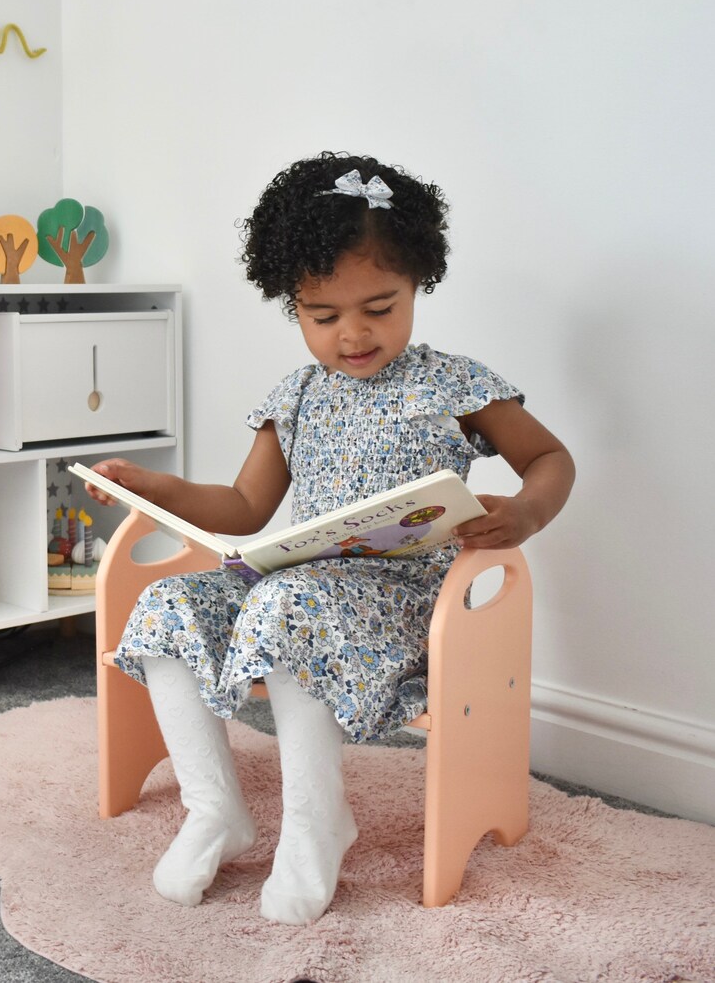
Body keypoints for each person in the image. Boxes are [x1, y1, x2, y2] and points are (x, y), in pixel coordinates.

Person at [83, 151, 575, 926]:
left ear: (418, 283)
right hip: (292, 588)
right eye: (323, 316)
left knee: (287, 605)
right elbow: (243, 506)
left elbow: (549, 458)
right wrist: (154, 486)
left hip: (404, 607)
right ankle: (214, 807)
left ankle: (315, 823)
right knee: (167, 602)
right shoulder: (297, 398)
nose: (353, 333)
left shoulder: (453, 385)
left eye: (380, 306)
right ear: (293, 306)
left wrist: (525, 513)